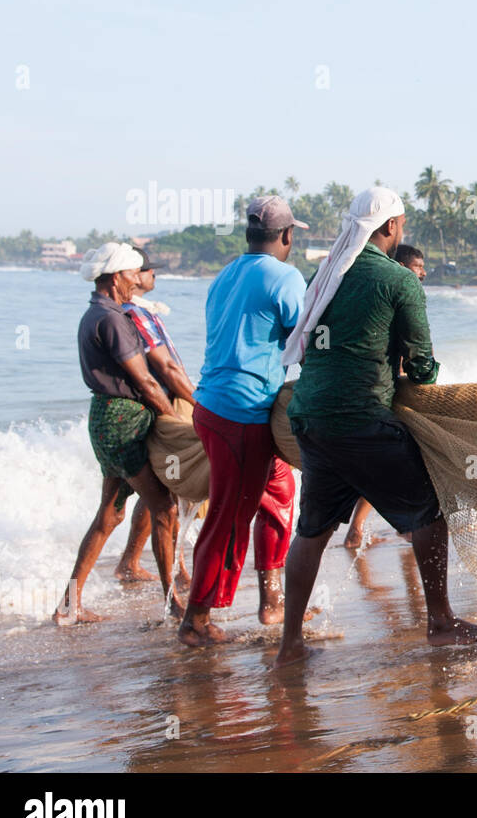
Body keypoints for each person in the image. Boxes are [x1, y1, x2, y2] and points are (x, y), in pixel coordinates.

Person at [275, 187, 477, 666]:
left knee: (311, 531)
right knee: (429, 513)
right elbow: (420, 363)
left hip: (311, 418)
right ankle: (439, 623)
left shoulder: (327, 271)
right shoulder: (398, 280)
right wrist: (421, 385)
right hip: (363, 419)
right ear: (391, 227)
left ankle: (290, 644)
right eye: (402, 224)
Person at [178, 196, 308, 647]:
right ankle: (196, 619)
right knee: (229, 518)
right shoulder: (285, 277)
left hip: (212, 407)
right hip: (243, 416)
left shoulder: (226, 274)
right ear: (287, 236)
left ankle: (272, 602)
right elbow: (305, 339)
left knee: (280, 493)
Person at [57, 243, 183, 625]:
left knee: (109, 516)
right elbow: (145, 380)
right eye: (132, 275)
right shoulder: (112, 319)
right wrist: (177, 422)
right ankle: (172, 602)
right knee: (164, 507)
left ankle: (68, 605)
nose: (136, 282)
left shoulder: (95, 313)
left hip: (106, 418)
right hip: (123, 421)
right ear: (117, 277)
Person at [114, 249, 195, 583]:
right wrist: (197, 402)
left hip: (149, 406)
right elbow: (165, 366)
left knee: (151, 493)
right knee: (167, 491)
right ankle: (172, 569)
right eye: (149, 271)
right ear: (134, 275)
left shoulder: (133, 311)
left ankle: (132, 563)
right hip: (161, 405)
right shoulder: (135, 312)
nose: (153, 276)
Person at [343, 243, 428, 550]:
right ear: (404, 267)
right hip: (388, 395)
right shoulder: (399, 292)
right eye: (418, 267)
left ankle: (387, 526)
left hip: (383, 391)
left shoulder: (390, 292)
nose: (423, 272)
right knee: (388, 464)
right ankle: (378, 527)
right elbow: (413, 352)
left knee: (384, 466)